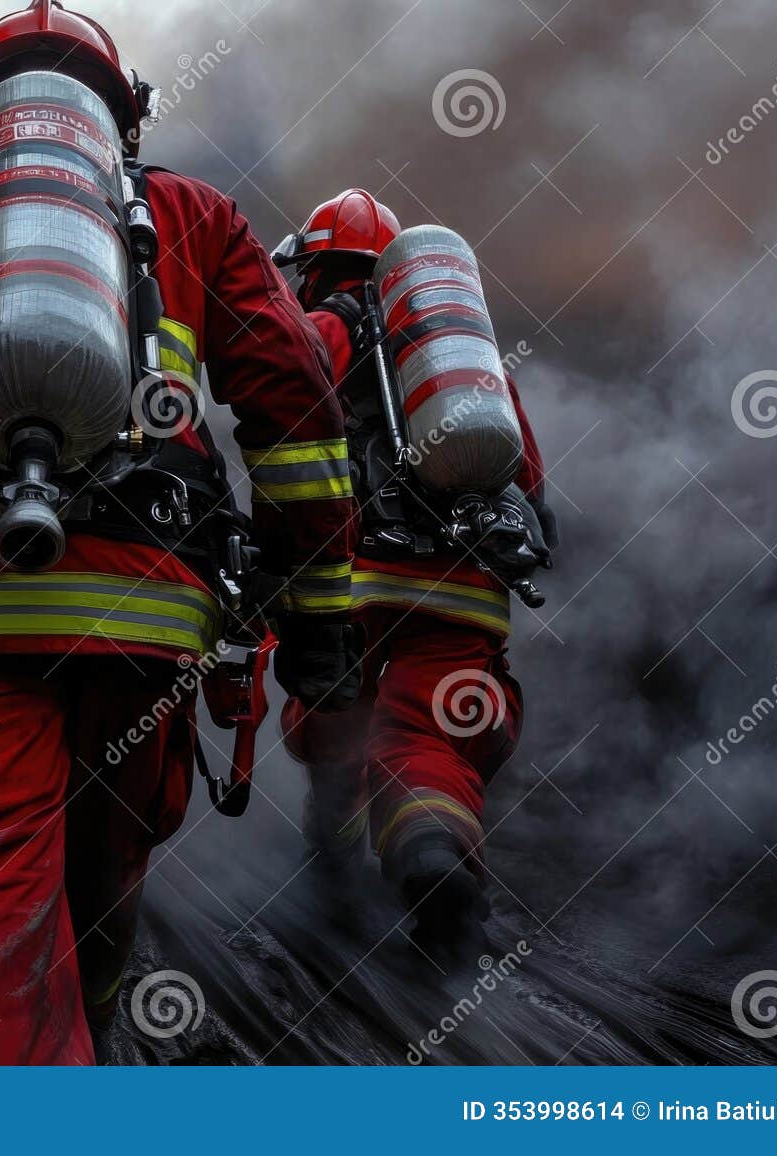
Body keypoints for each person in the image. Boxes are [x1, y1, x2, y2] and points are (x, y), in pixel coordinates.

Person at [0, 1, 359, 1063]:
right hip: (145, 618)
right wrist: (315, 605)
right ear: (124, 118)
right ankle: (93, 1024)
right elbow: (296, 409)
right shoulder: (194, 217)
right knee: (106, 866)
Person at [274, 189, 556, 955]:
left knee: (335, 711)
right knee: (432, 731)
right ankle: (434, 859)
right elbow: (523, 469)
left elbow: (286, 421)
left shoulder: (325, 325)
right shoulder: (461, 353)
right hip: (467, 583)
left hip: (355, 572)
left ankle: (331, 864)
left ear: (319, 265)